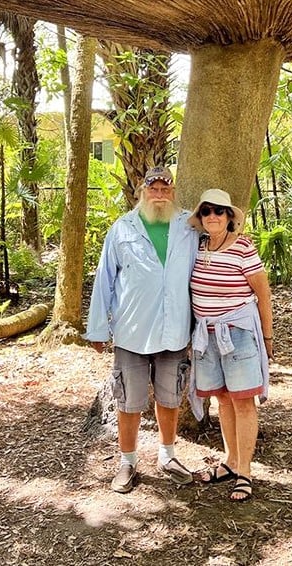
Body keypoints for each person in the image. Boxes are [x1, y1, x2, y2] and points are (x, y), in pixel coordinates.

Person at [85, 166, 199, 494]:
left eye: (165, 189)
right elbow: (104, 279)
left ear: (173, 192)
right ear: (142, 191)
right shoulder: (122, 229)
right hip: (132, 331)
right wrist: (97, 329)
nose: (159, 194)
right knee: (129, 401)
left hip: (174, 329)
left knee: (170, 396)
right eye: (154, 188)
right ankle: (127, 462)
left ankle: (168, 456)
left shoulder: (189, 227)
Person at [187, 188, 273, 502]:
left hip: (237, 334)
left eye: (219, 211)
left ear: (229, 217)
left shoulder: (243, 247)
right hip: (206, 336)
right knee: (223, 399)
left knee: (243, 401)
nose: (213, 216)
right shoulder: (197, 247)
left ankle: (246, 472)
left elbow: (263, 294)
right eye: (207, 211)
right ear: (201, 217)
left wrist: (267, 337)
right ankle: (230, 461)